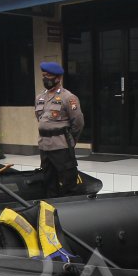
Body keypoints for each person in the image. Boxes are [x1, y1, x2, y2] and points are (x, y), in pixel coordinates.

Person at [33, 61, 85, 196]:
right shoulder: (40, 98)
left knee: (68, 182)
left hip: (61, 147)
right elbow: (40, 119)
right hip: (44, 147)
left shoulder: (68, 97)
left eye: (49, 76)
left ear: (58, 78)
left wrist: (70, 141)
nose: (45, 79)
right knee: (49, 181)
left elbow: (78, 122)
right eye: (44, 76)